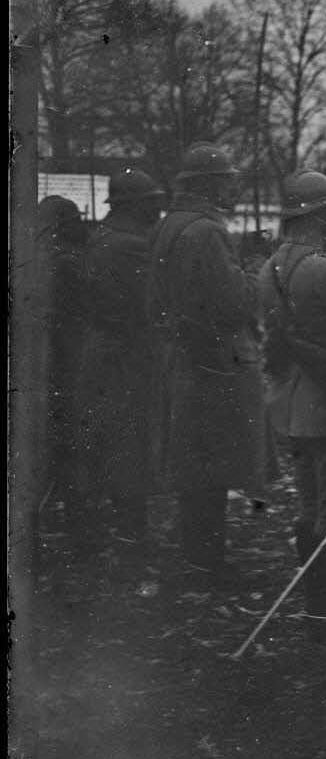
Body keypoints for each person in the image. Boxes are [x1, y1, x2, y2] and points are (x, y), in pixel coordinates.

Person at [147, 142, 268, 582]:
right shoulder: (208, 232)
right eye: (228, 178)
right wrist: (255, 270)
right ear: (209, 184)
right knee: (211, 467)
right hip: (213, 366)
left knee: (195, 466)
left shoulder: (170, 225)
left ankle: (198, 557)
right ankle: (207, 563)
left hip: (183, 359)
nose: (234, 185)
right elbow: (235, 302)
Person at [258, 170, 326, 634]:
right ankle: (324, 604)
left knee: (309, 503)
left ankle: (315, 599)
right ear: (318, 214)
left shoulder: (269, 267)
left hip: (290, 402)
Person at [73, 169, 166, 561]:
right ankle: (132, 536)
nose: (156, 208)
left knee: (106, 440)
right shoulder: (133, 246)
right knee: (130, 442)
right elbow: (149, 305)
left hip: (99, 350)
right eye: (150, 201)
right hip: (125, 353)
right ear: (134, 204)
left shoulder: (103, 237)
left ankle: (106, 531)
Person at [40, 194, 91, 524]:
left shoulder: (35, 259)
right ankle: (75, 516)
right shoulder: (68, 263)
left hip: (47, 360)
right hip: (68, 358)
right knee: (70, 444)